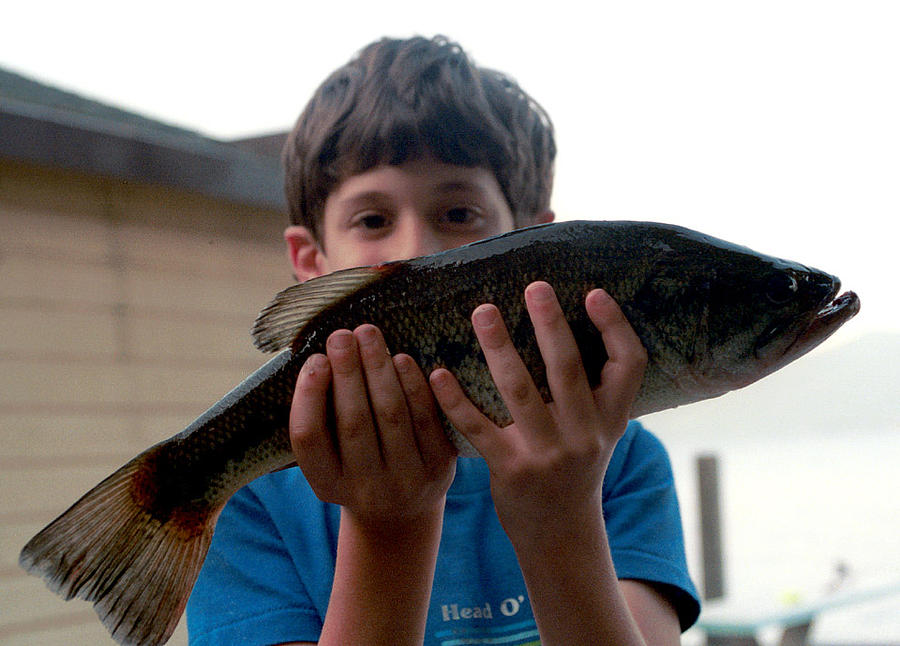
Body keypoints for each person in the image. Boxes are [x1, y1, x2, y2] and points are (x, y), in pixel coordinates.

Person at [186, 35, 700, 645]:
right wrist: (389, 525)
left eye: (458, 215)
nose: (416, 252)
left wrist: (561, 514)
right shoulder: (248, 501)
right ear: (309, 260)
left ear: (536, 245)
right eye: (373, 220)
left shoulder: (620, 464)